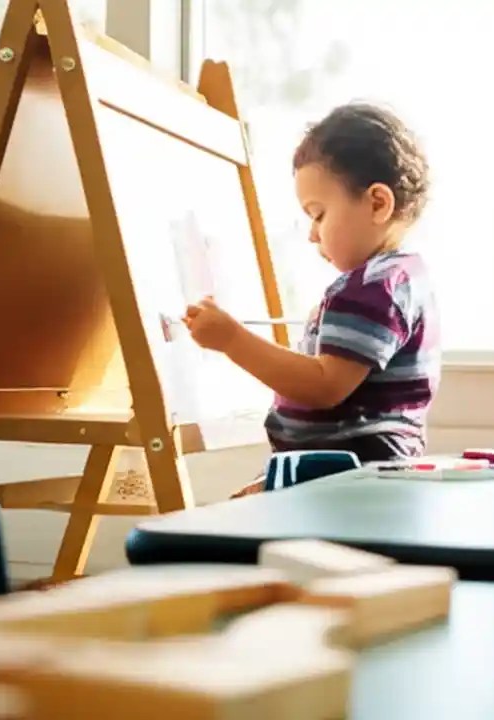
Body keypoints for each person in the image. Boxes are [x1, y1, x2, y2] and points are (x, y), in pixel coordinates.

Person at [183, 103, 440, 496]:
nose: (311, 234)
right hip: (358, 471)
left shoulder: (373, 285)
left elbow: (324, 386)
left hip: (352, 476)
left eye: (318, 215)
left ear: (377, 203)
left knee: (230, 525)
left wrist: (231, 340)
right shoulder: (401, 277)